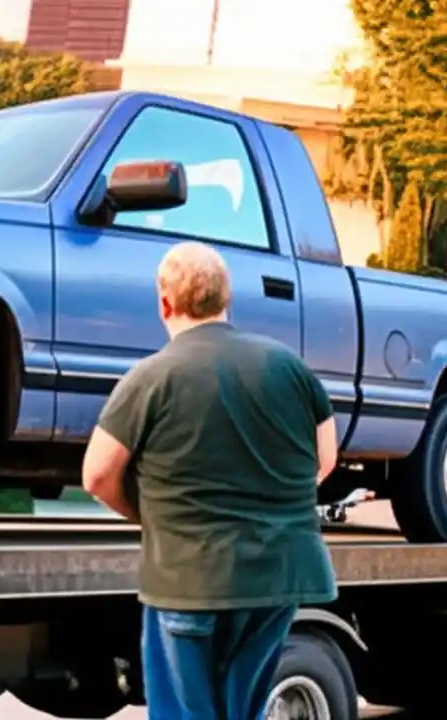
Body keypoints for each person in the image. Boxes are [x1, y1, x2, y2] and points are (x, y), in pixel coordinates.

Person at [81, 241, 339, 720]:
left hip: (188, 579)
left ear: (164, 304)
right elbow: (323, 461)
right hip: (278, 578)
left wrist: (148, 513)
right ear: (227, 299)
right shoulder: (289, 367)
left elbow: (96, 475)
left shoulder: (150, 377)